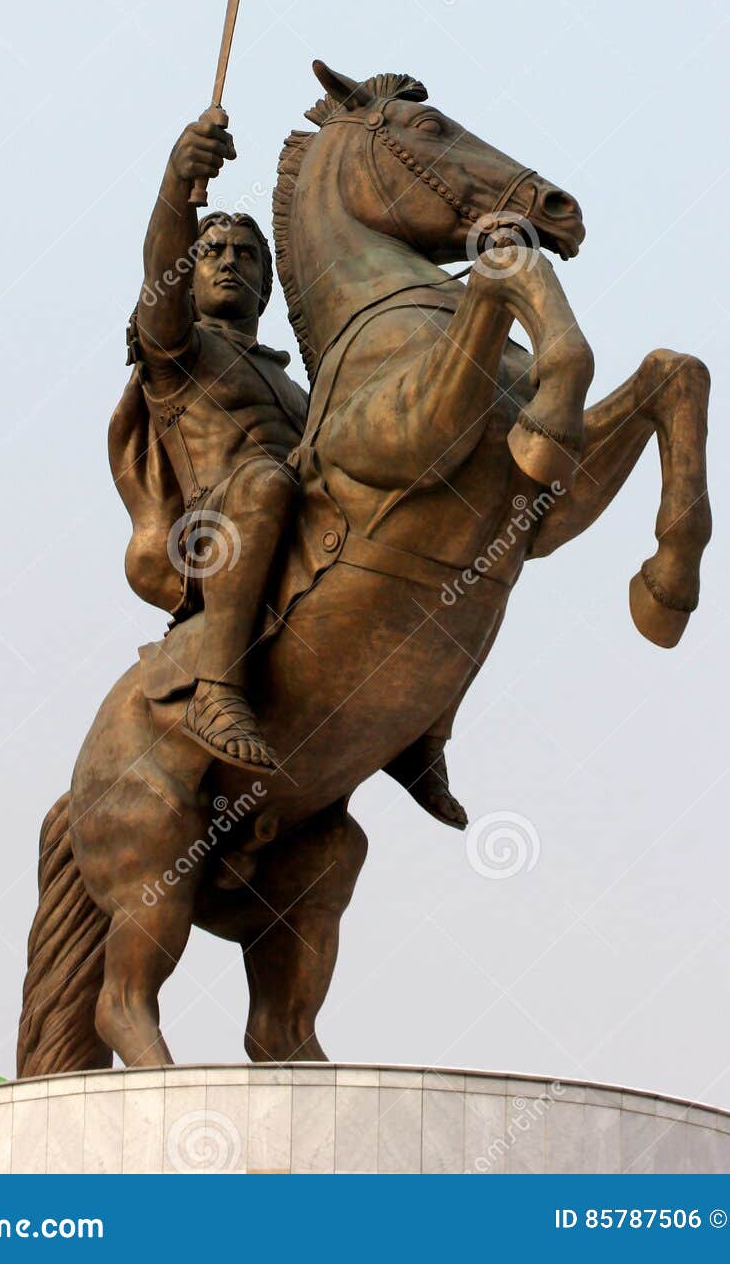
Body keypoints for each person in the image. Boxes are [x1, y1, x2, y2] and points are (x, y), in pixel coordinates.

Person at [114, 105, 467, 823]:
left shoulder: (294, 381)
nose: (228, 262)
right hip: (219, 526)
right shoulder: (175, 349)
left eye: (245, 256)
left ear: (268, 286)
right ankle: (218, 688)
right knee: (268, 481)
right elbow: (159, 272)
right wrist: (177, 188)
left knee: (443, 523)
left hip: (297, 515)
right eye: (212, 251)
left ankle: (416, 731)